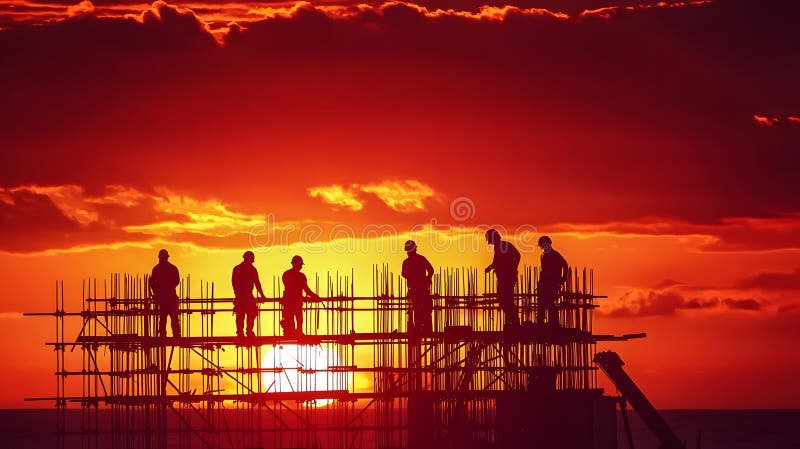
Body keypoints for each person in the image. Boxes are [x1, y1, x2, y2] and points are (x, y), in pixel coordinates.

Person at [484, 229, 521, 327]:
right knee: (503, 300)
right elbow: (495, 262)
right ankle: (512, 321)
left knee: (507, 300)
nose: (489, 242)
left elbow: (518, 255)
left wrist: (513, 268)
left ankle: (514, 322)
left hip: (508, 278)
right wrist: (490, 267)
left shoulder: (505, 245)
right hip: (501, 278)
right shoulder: (497, 248)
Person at [281, 255, 319, 336]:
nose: (301, 267)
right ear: (297, 264)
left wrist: (313, 295)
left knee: (291, 318)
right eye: (300, 265)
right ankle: (297, 332)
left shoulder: (286, 274)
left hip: (289, 301)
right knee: (298, 319)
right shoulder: (301, 276)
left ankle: (292, 332)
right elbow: (306, 289)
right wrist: (314, 296)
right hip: (296, 301)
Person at [401, 240, 434, 333]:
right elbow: (431, 270)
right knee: (422, 309)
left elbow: (404, 274)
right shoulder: (419, 259)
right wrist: (426, 279)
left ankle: (421, 328)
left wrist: (415, 277)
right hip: (418, 289)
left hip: (418, 289)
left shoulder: (409, 261)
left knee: (419, 309)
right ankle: (423, 328)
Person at [232, 250, 266, 338]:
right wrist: (262, 296)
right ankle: (248, 331)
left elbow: (233, 282)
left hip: (240, 296)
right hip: (246, 295)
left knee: (241, 315)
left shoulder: (237, 268)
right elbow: (257, 283)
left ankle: (240, 332)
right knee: (251, 313)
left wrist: (236, 293)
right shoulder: (252, 269)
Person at [537, 236, 568, 326]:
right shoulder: (543, 255)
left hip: (552, 283)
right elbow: (544, 270)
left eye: (542, 245)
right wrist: (540, 282)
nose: (542, 247)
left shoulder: (555, 254)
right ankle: (541, 322)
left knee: (550, 301)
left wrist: (563, 278)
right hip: (545, 283)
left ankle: (553, 322)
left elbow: (565, 265)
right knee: (542, 302)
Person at [149, 249, 181, 338]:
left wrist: (157, 290)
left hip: (164, 298)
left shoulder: (156, 269)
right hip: (170, 297)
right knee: (172, 318)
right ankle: (175, 334)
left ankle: (164, 334)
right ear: (167, 258)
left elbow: (152, 283)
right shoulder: (172, 268)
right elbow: (177, 281)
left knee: (164, 318)